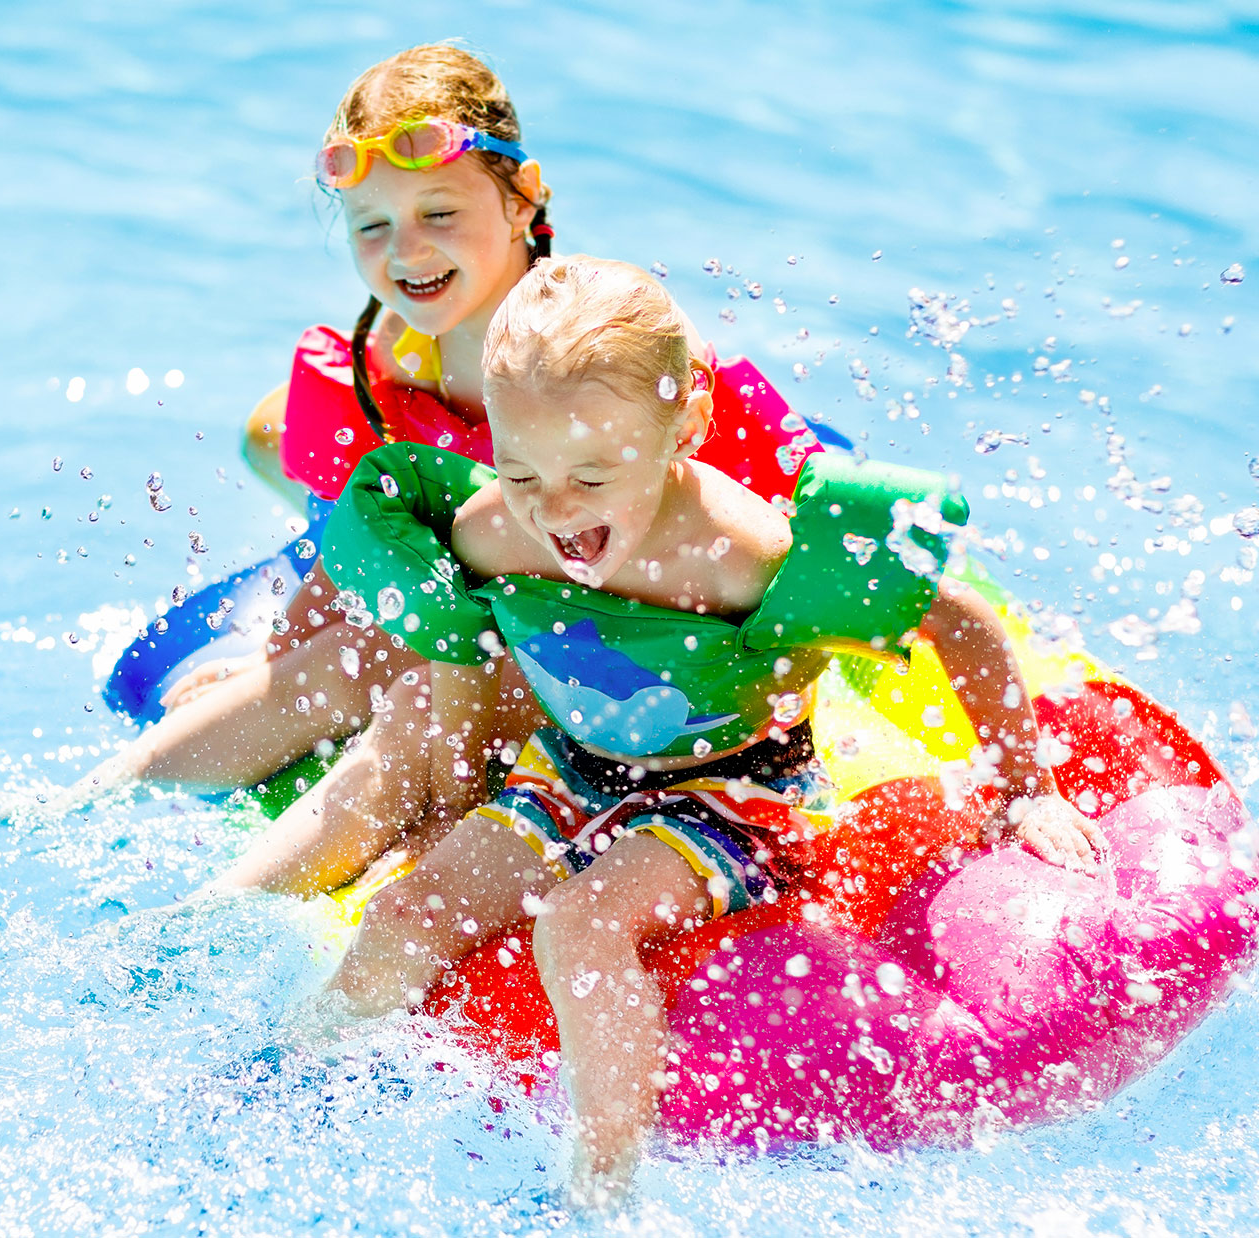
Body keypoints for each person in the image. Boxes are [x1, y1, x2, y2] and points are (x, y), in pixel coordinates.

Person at [313, 256, 1102, 1207]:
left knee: (582, 926)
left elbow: (958, 620)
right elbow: (472, 651)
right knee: (406, 912)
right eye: (521, 468)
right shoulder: (493, 529)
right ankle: (297, 1079)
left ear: (683, 427)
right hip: (567, 767)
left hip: (733, 790)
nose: (555, 510)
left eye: (591, 474)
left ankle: (599, 1190)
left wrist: (1027, 790)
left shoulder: (739, 552)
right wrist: (460, 791)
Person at [9, 46, 827, 879]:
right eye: (372, 225)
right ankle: (79, 806)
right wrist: (271, 654)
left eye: (439, 213)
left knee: (388, 665)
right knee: (340, 622)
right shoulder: (372, 381)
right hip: (480, 598)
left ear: (524, 198)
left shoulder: (614, 361)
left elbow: (804, 508)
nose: (407, 250)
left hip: (613, 641)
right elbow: (365, 548)